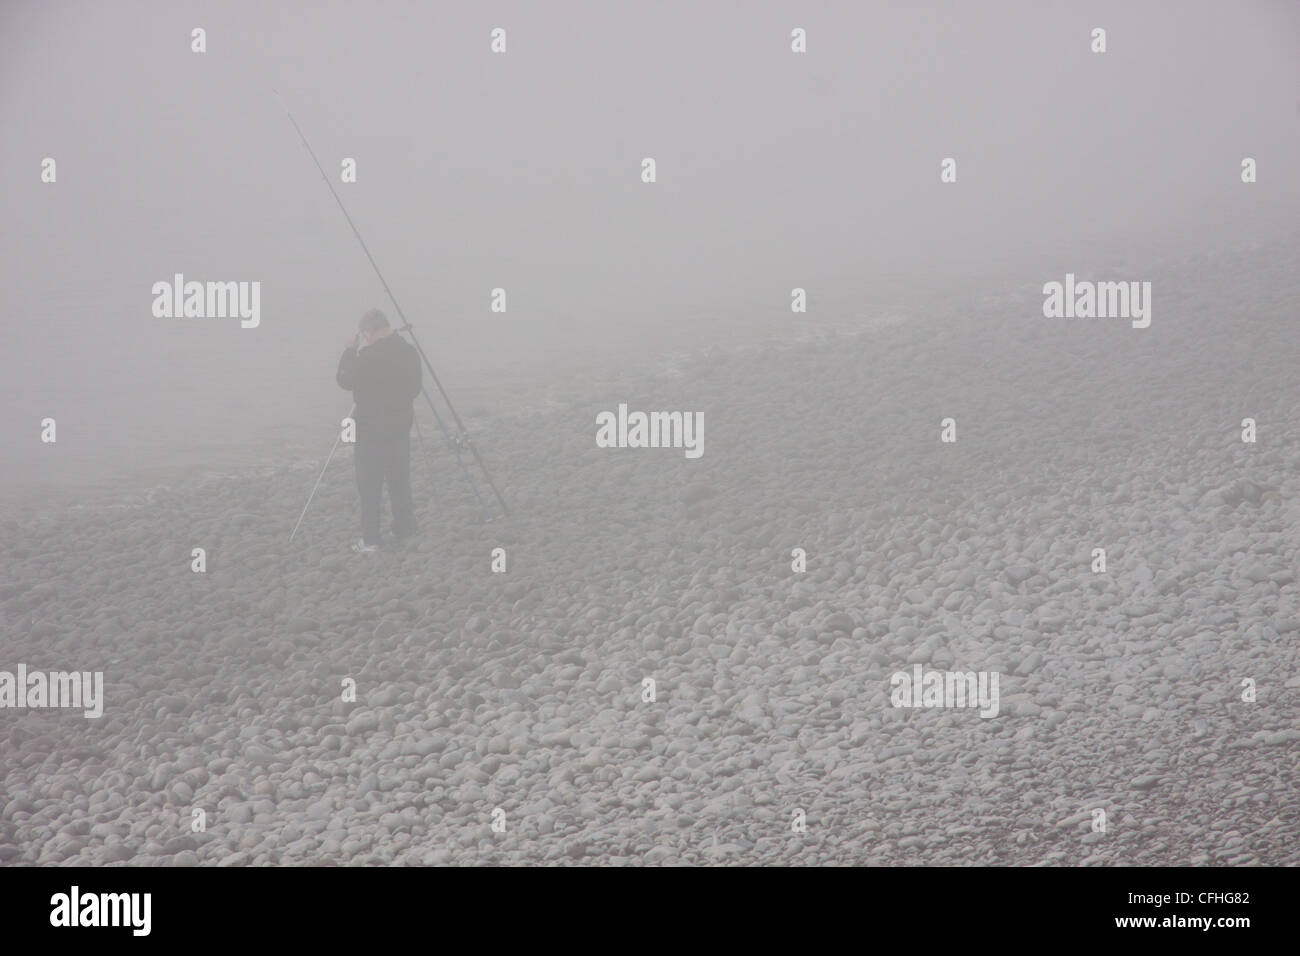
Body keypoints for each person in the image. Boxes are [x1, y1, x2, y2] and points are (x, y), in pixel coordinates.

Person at [336, 308, 422, 552]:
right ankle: (405, 529)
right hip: (399, 428)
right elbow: (415, 388)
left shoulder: (366, 357)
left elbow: (344, 379)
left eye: (364, 335)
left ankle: (371, 540)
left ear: (369, 331)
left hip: (370, 433)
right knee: (400, 482)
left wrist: (349, 351)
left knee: (370, 488)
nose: (363, 339)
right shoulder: (408, 351)